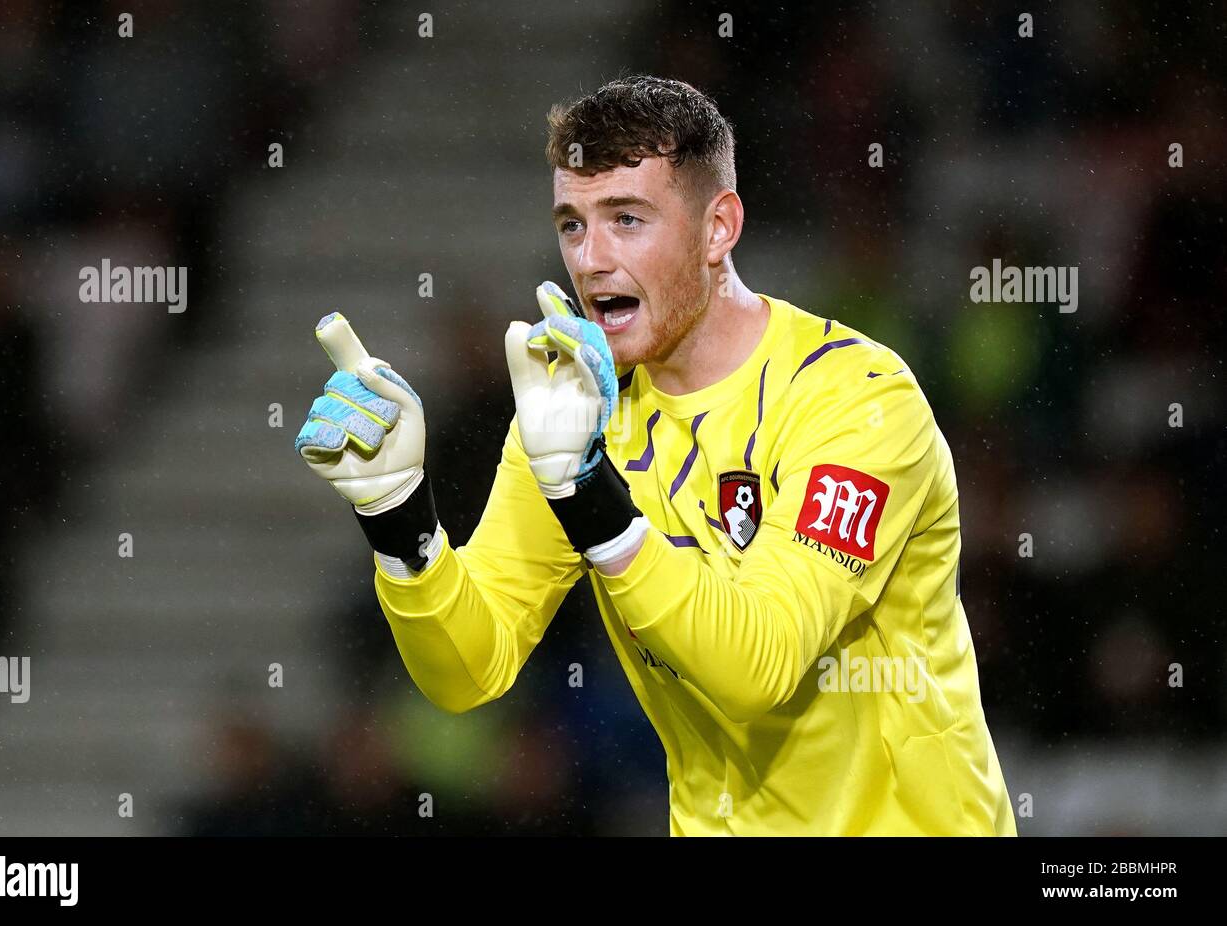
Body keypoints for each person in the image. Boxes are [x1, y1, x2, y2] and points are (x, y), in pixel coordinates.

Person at [296, 76, 1015, 836]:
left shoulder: (857, 400)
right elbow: (470, 668)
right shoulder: (575, 410)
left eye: (627, 220)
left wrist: (590, 498)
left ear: (718, 228)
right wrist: (399, 520)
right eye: (572, 225)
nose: (592, 259)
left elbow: (758, 666)